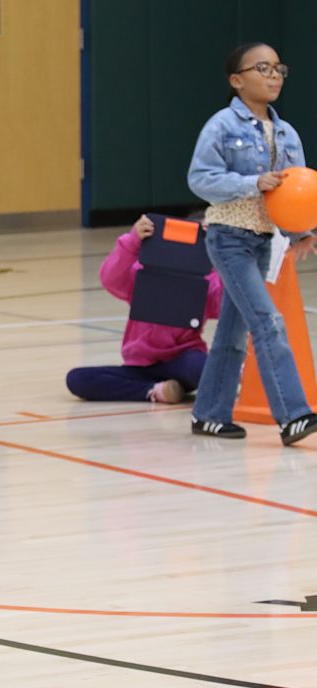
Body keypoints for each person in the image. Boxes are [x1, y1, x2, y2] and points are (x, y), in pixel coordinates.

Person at [186, 42, 317, 445]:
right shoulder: (221, 126)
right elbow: (201, 179)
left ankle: (209, 414)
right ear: (237, 80)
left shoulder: (286, 132)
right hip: (229, 239)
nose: (274, 75)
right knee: (268, 321)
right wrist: (250, 183)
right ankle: (294, 416)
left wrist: (301, 234)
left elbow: (293, 191)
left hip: (263, 241)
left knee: (232, 331)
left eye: (279, 68)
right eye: (263, 67)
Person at [65, 214, 223, 403]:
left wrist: (221, 254)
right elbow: (109, 278)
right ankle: (154, 390)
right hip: (140, 366)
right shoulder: (142, 274)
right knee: (78, 379)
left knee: (205, 368)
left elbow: (224, 304)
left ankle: (169, 387)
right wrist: (132, 241)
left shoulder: (207, 281)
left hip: (183, 362)